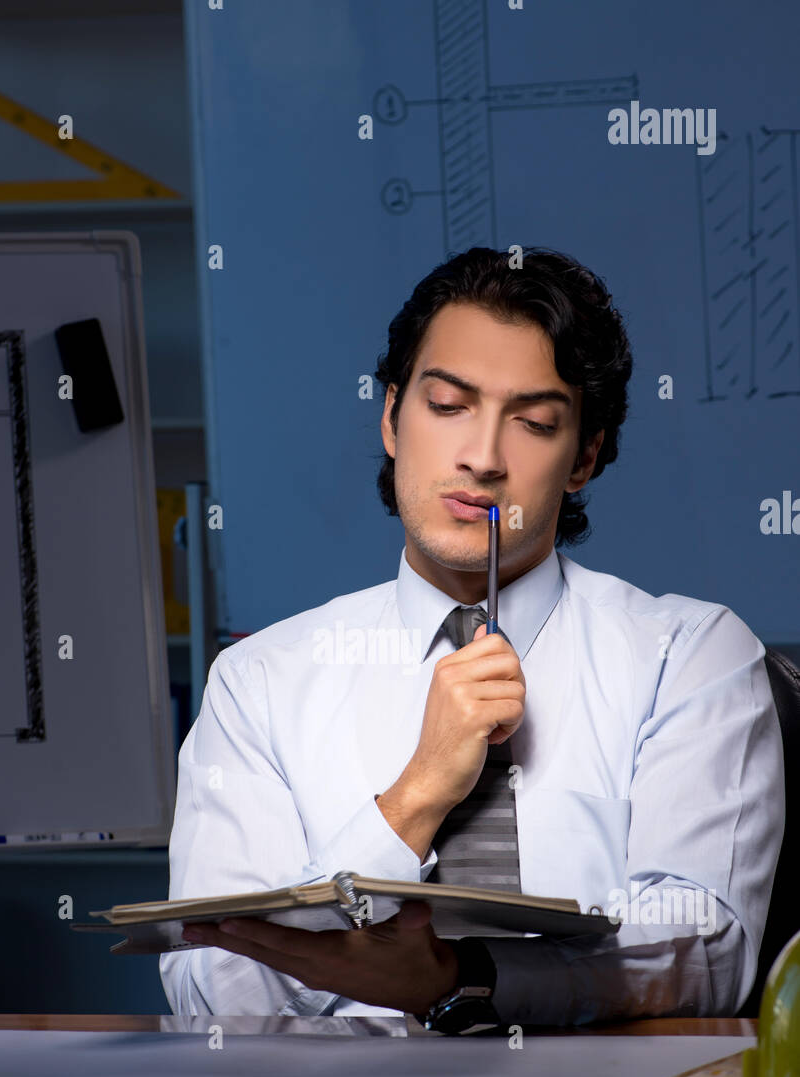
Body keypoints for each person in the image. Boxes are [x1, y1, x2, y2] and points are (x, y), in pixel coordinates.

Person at [160, 246, 785, 1030]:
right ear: (392, 419)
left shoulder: (687, 654)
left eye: (532, 422)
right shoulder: (258, 681)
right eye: (447, 405)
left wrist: (455, 980)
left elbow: (707, 954)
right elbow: (216, 993)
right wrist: (414, 797)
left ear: (584, 455)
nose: (481, 458)